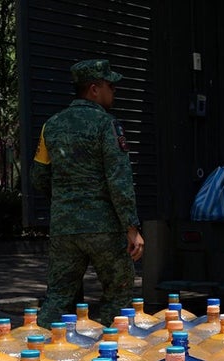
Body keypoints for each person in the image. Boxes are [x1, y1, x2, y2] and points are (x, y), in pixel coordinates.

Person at [32, 59, 144, 326]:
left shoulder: (51, 125)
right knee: (118, 294)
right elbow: (119, 179)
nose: (114, 91)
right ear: (94, 89)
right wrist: (132, 227)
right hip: (103, 227)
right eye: (110, 86)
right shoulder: (107, 124)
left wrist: (64, 202)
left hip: (64, 228)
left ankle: (39, 356)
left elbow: (38, 176)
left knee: (58, 296)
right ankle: (110, 357)